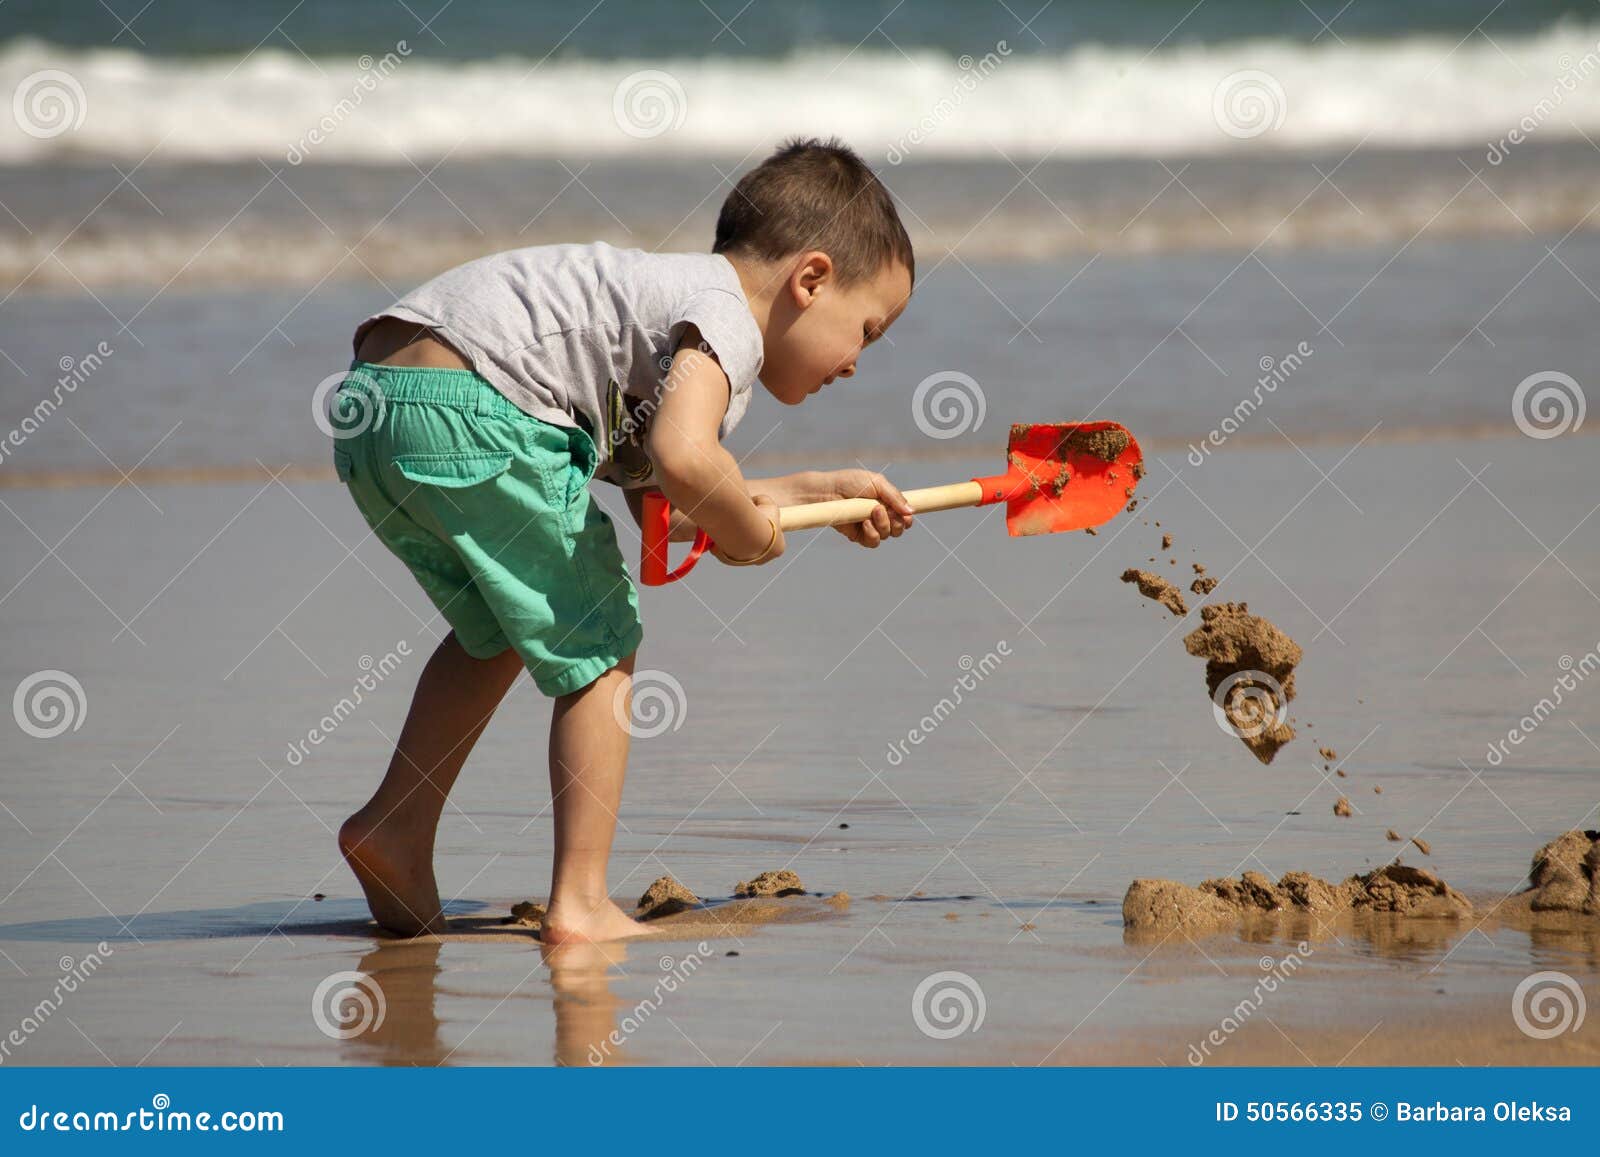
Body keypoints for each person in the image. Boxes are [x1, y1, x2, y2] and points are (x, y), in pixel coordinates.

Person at [331, 137, 916, 942]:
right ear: (810, 280)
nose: (855, 365)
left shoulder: (667, 324)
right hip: (477, 404)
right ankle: (579, 901)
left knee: (502, 625)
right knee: (600, 638)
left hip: (384, 404)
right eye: (868, 332)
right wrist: (752, 537)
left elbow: (669, 504)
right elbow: (684, 459)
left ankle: (395, 826)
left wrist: (810, 495)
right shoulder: (726, 318)